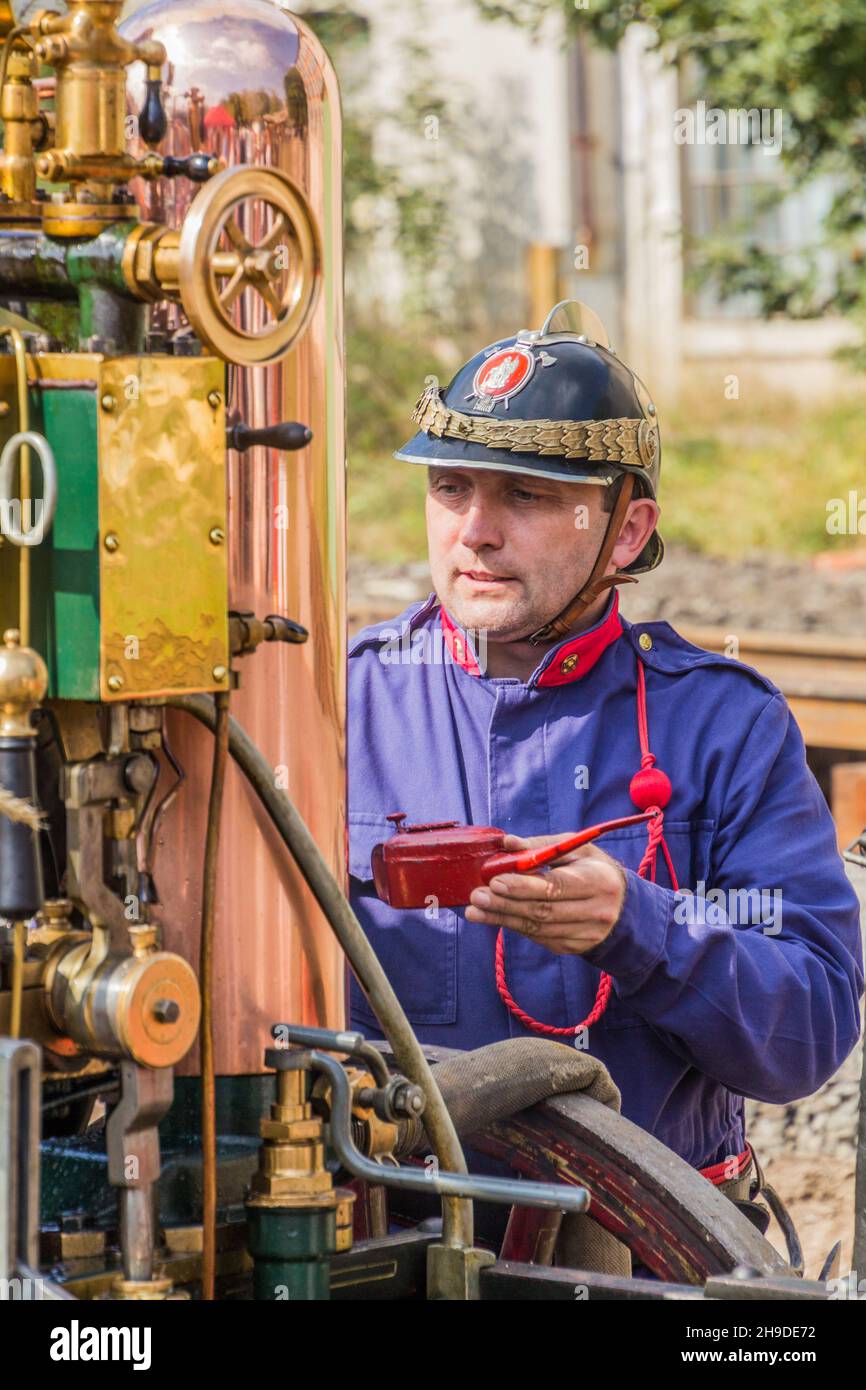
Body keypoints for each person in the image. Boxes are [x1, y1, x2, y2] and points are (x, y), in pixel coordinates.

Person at [346, 300, 863, 1200]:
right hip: (393, 1249)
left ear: (625, 532)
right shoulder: (343, 702)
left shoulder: (724, 725)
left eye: (528, 494)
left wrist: (640, 927)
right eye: (450, 487)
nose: (475, 529)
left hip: (639, 1255)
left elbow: (808, 1034)